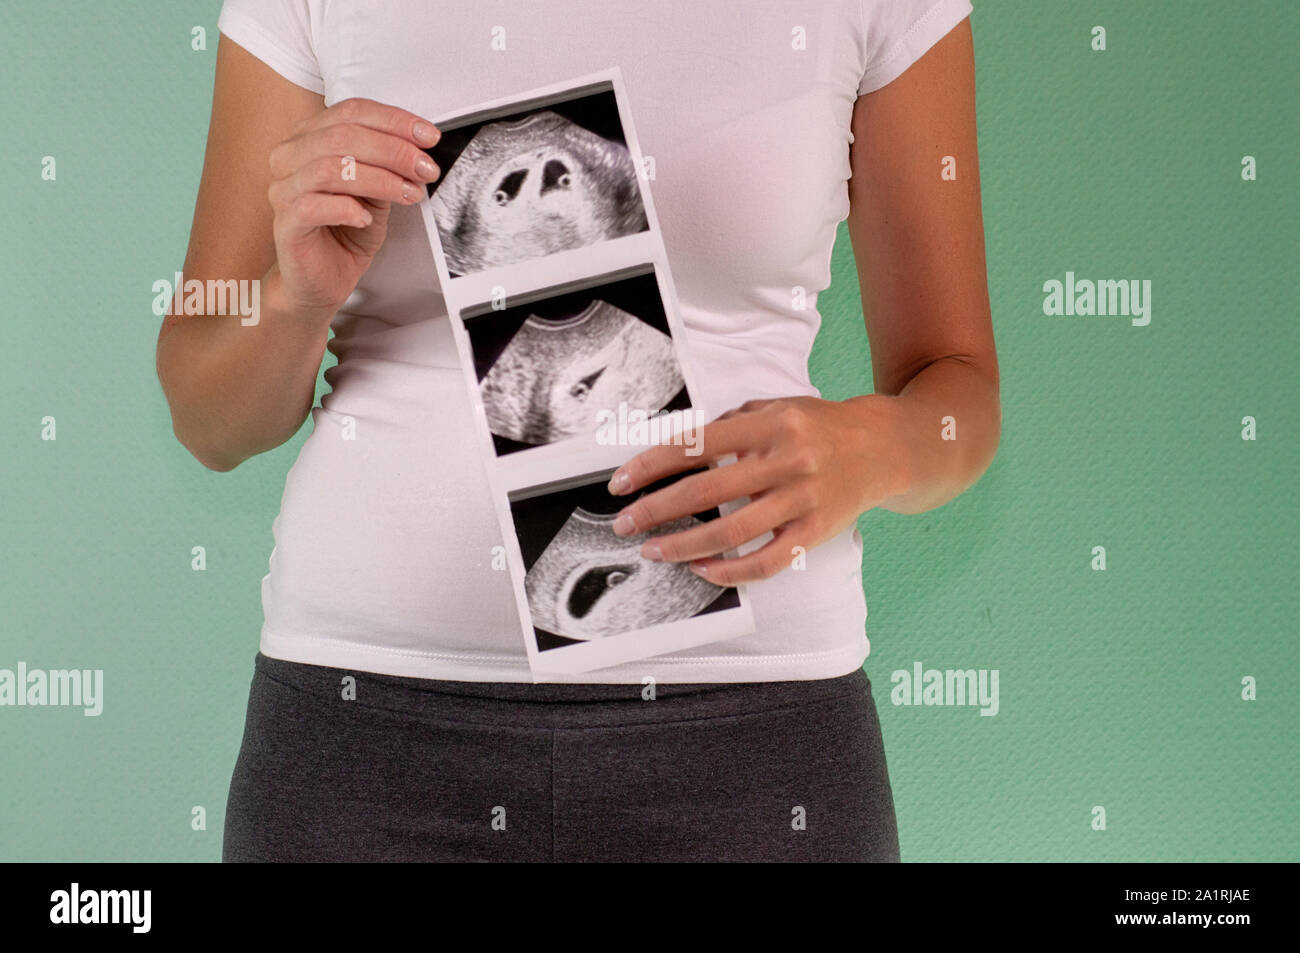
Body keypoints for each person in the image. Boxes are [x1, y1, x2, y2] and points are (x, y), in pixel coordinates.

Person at [156, 0, 999, 862]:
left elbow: (959, 391)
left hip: (752, 739)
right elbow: (208, 418)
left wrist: (873, 449)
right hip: (364, 732)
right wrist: (295, 298)